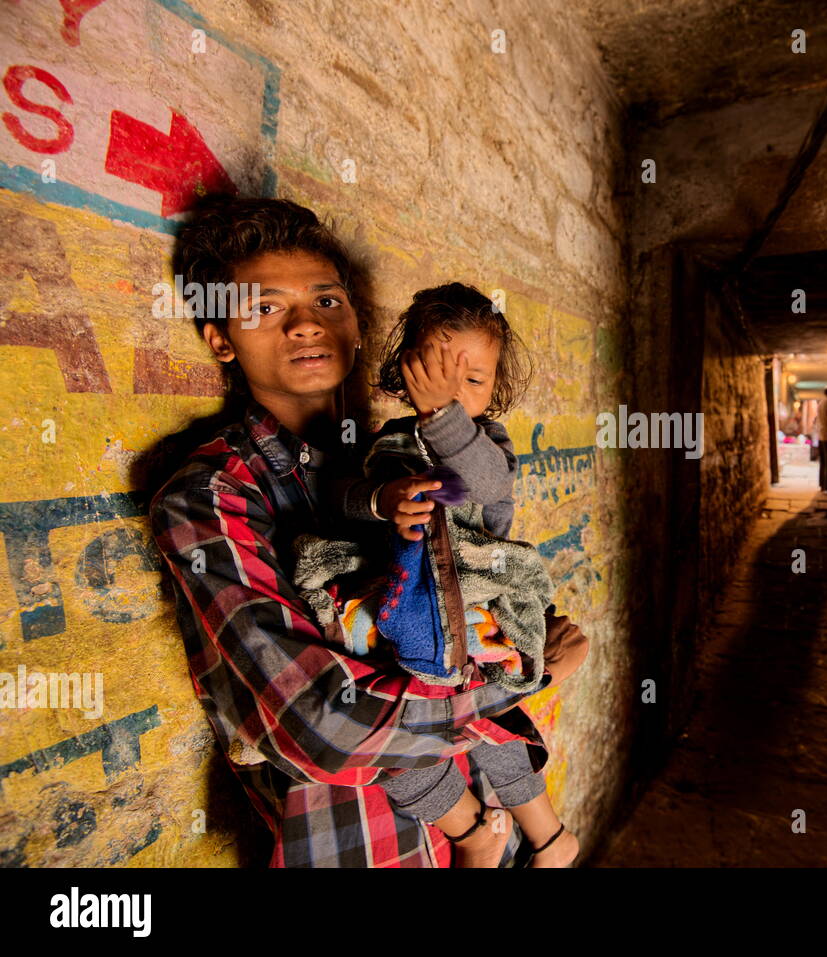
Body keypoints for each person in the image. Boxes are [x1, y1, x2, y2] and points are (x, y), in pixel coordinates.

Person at [148, 196, 587, 868]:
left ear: (356, 327)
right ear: (220, 339)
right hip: (363, 843)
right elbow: (320, 721)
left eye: (326, 302)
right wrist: (525, 674)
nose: (303, 325)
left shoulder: (398, 455)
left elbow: (477, 562)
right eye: (265, 308)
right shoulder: (213, 495)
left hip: (490, 816)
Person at [288, 282, 583, 867]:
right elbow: (340, 498)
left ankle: (549, 839)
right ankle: (482, 831)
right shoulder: (385, 444)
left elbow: (489, 486)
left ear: (494, 389)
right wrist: (379, 501)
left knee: (495, 726)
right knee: (398, 752)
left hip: (476, 599)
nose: (451, 392)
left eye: (473, 382)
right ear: (405, 368)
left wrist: (443, 418)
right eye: (434, 373)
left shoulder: (487, 446)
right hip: (395, 603)